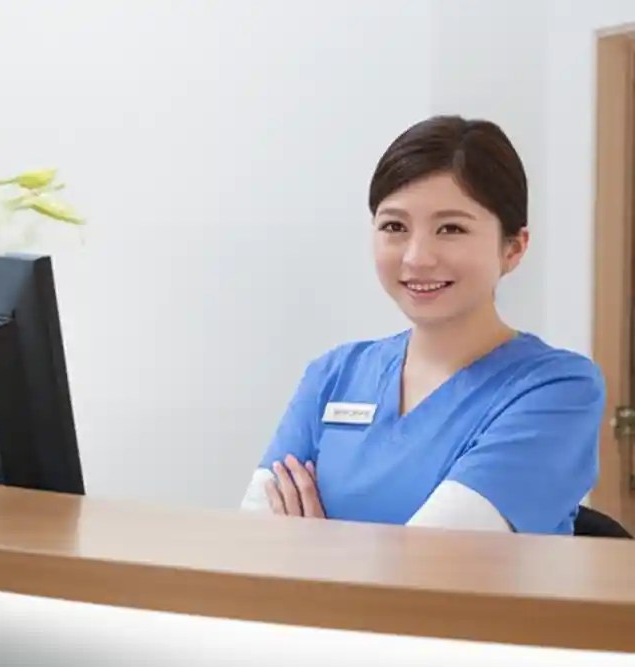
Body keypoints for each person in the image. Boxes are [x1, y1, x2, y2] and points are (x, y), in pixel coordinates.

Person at [240, 115, 605, 535]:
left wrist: (314, 548)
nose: (416, 257)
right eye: (394, 226)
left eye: (451, 229)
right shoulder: (335, 375)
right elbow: (255, 543)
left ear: (514, 248)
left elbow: (434, 560)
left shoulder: (559, 390)